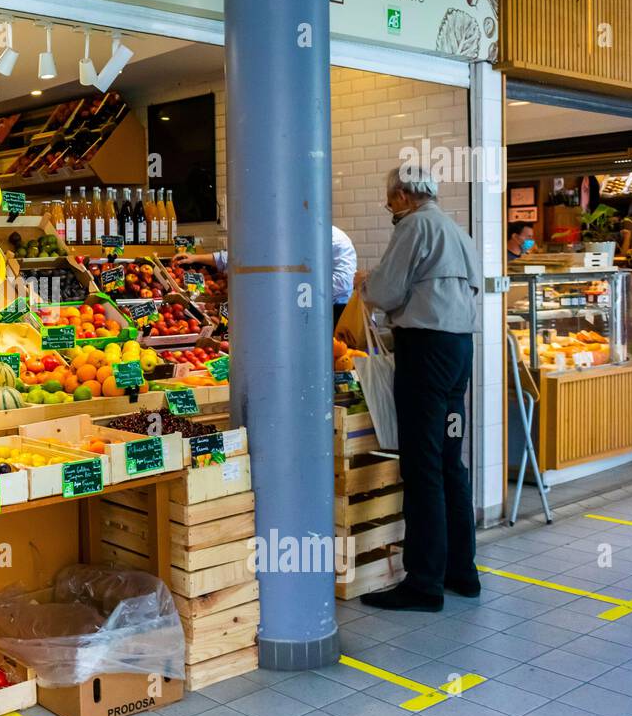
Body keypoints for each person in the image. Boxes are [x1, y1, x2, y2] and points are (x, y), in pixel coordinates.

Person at [356, 165, 481, 612]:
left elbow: (387, 290)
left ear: (404, 196)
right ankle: (462, 572)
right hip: (458, 352)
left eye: (390, 201)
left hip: (425, 352)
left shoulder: (414, 226)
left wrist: (366, 285)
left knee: (422, 465)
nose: (390, 208)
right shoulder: (455, 229)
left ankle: (424, 582)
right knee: (451, 462)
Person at [174, 227, 358, 322]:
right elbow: (248, 258)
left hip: (334, 312)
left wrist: (295, 292)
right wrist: (195, 257)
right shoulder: (286, 236)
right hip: (298, 311)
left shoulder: (337, 240)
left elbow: (342, 282)